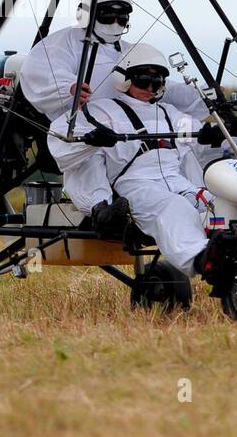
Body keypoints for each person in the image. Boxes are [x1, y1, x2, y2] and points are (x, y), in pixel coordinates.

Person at [49, 43, 227, 276]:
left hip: (177, 182)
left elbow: (203, 139)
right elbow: (60, 137)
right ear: (125, 79)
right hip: (136, 185)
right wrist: (91, 139)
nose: (150, 88)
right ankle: (201, 259)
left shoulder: (169, 113)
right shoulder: (102, 111)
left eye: (158, 82)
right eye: (143, 80)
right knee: (173, 207)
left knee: (217, 203)